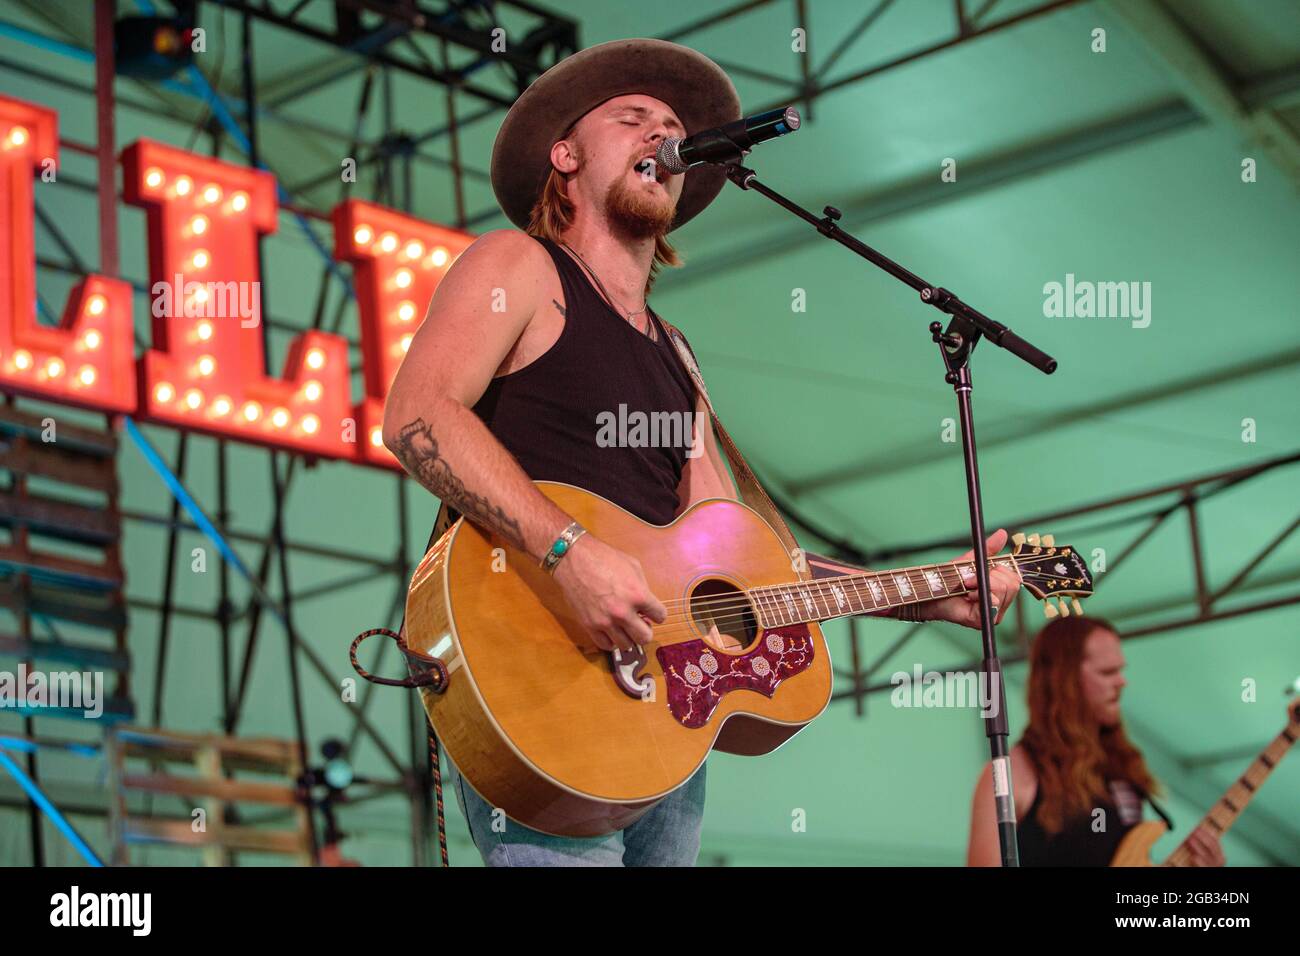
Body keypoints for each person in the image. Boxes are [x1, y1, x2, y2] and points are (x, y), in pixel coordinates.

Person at [383, 38, 1023, 867]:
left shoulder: (676, 354)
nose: (661, 134)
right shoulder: (519, 268)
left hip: (662, 714)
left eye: (674, 126)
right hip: (541, 688)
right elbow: (415, 414)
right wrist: (569, 553)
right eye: (632, 119)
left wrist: (925, 595)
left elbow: (749, 562)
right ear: (566, 155)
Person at [966, 616, 1225, 866]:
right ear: (1065, 681)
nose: (1121, 681)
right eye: (1107, 672)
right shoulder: (1010, 775)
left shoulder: (1121, 764)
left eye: (1120, 670)